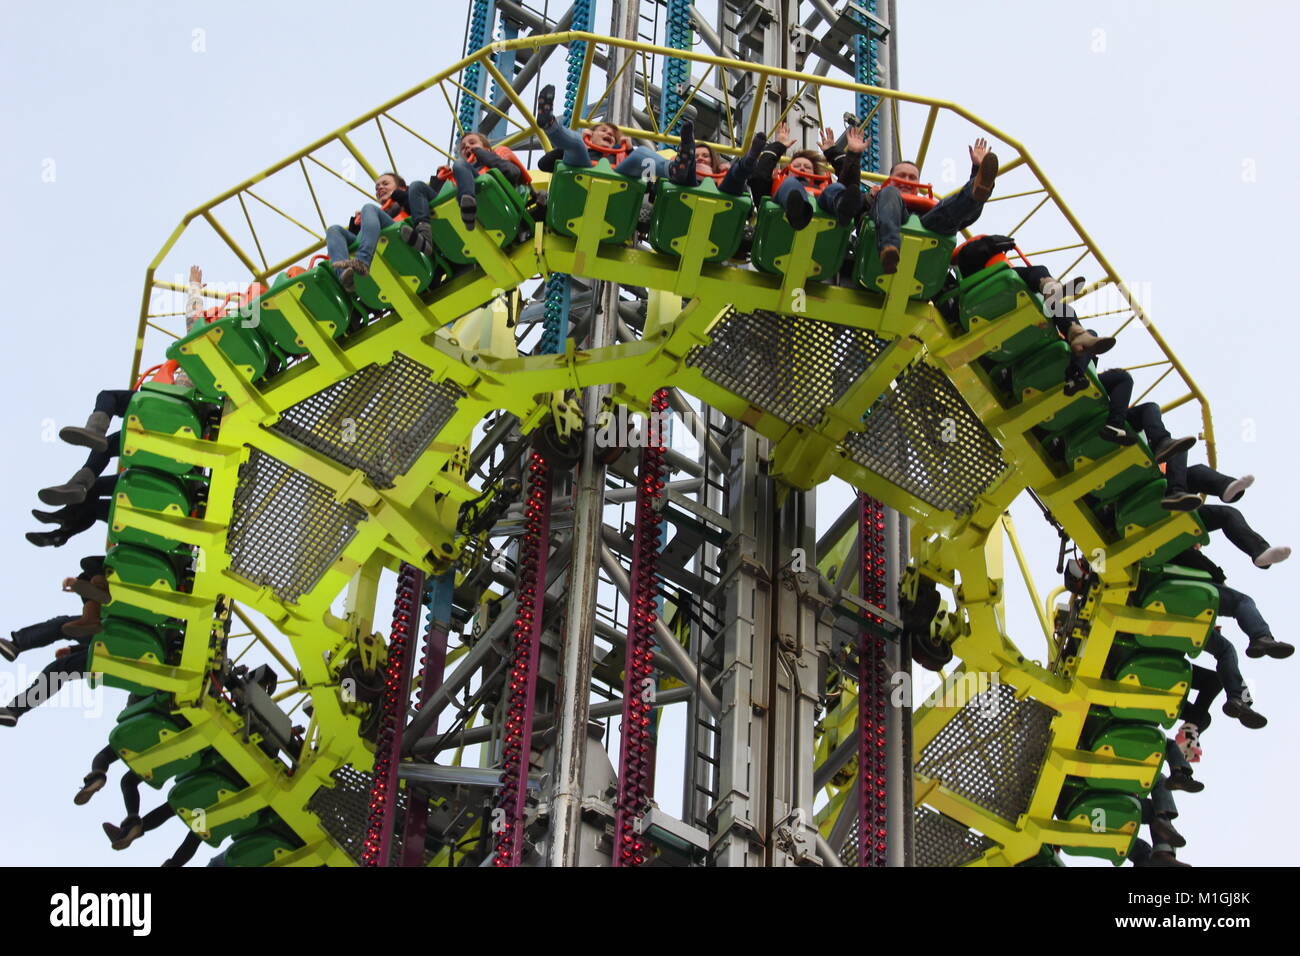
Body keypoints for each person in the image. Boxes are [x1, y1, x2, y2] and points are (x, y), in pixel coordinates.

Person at [866, 138, 999, 274]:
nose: (906, 181)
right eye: (901, 176)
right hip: (878, 249)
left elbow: (969, 216)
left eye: (912, 178)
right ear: (890, 180)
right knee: (889, 193)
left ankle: (979, 186)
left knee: (948, 209)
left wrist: (977, 170)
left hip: (929, 240)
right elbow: (851, 206)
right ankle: (889, 249)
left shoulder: (929, 208)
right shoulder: (878, 197)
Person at [402, 132, 533, 253]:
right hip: (460, 222)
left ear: (486, 148)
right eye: (463, 146)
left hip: (496, 208)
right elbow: (438, 201)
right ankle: (424, 235)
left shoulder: (495, 157)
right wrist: (438, 179)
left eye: (472, 143)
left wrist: (481, 154)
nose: (467, 147)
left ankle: (468, 204)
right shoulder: (459, 174)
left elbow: (512, 173)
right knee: (416, 186)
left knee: (459, 165)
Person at [1171, 544, 1293, 661]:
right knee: (1243, 601)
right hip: (1190, 592)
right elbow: (1220, 583)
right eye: (1199, 543)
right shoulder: (1186, 552)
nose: (1200, 546)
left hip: (1179, 604)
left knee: (1226, 649)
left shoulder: (1171, 551)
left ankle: (1235, 682)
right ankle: (1261, 637)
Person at [533, 84, 673, 183]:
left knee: (641, 153)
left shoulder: (624, 158)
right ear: (591, 135)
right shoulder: (580, 151)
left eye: (613, 135)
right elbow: (544, 165)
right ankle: (549, 124)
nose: (610, 135)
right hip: (576, 192)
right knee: (576, 144)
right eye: (603, 131)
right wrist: (578, 142)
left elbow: (646, 185)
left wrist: (630, 151)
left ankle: (674, 170)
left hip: (616, 200)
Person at [747, 121, 867, 230]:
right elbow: (759, 177)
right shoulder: (778, 186)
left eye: (807, 167)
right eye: (797, 166)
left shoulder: (822, 191)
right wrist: (778, 145)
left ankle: (843, 208)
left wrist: (851, 154)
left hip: (823, 223)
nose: (802, 168)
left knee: (836, 189)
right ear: (788, 171)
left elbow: (849, 183)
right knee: (791, 184)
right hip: (778, 226)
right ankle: (797, 212)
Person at [326, 172, 412, 292]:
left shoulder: (411, 199)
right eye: (377, 188)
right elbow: (357, 240)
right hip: (379, 249)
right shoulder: (373, 215)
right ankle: (345, 276)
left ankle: (363, 261)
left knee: (368, 207)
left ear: (401, 188)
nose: (380, 188)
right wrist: (357, 225)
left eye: (385, 184)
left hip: (404, 241)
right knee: (333, 230)